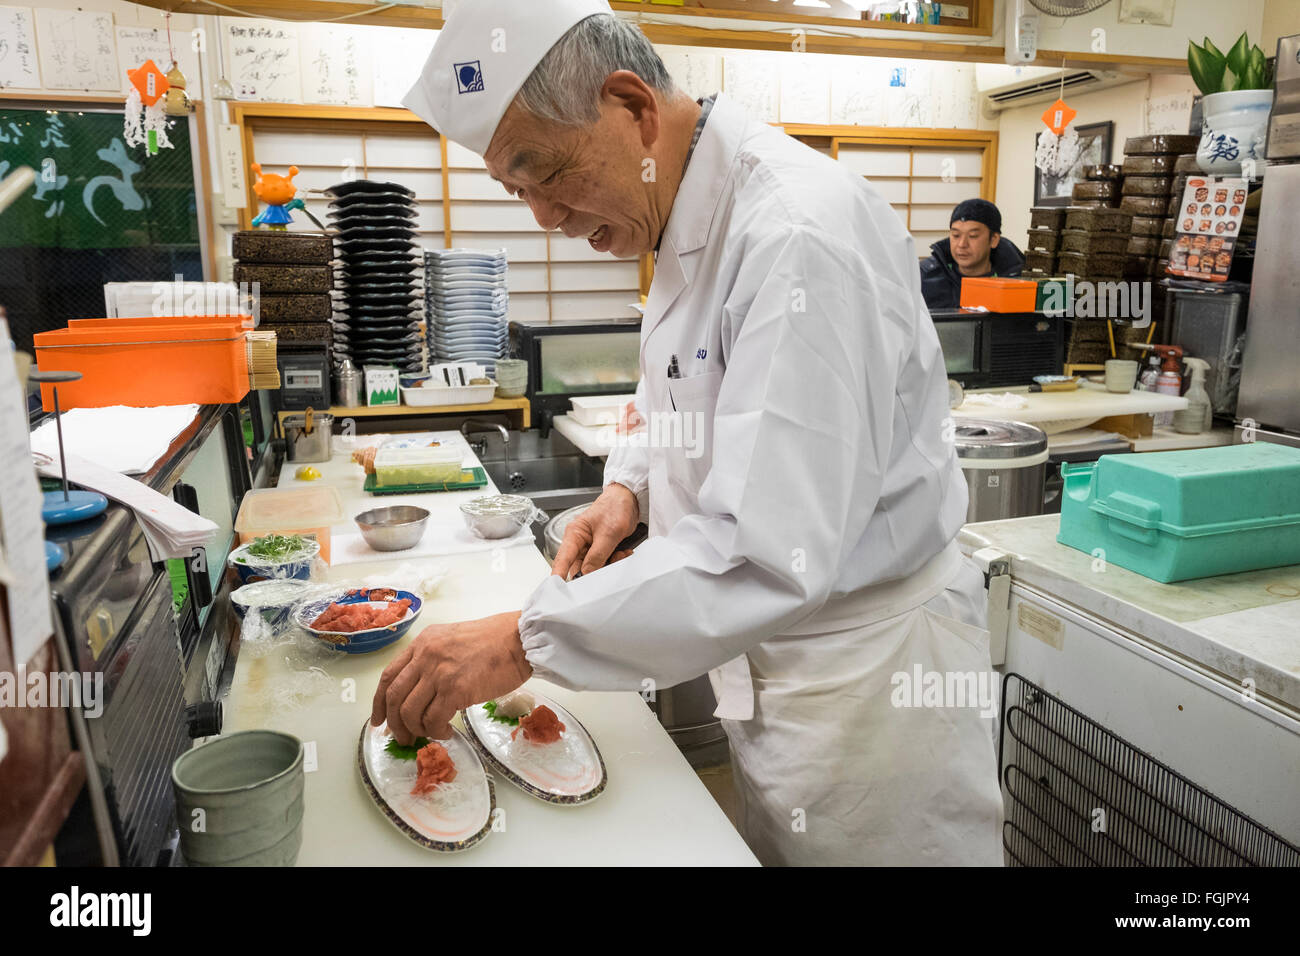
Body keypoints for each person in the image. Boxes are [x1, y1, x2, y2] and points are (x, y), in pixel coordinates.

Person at [376, 0, 1004, 866]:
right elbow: (679, 378)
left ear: (633, 108)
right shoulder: (684, 213)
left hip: (868, 685)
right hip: (781, 664)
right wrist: (628, 485)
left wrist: (525, 638)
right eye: (517, 192)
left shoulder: (794, 232)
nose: (545, 220)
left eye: (547, 175)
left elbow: (764, 549)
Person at [920, 198, 1025, 311]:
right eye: (956, 235)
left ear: (994, 239)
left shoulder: (1018, 281)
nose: (962, 244)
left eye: (973, 236)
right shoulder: (925, 276)